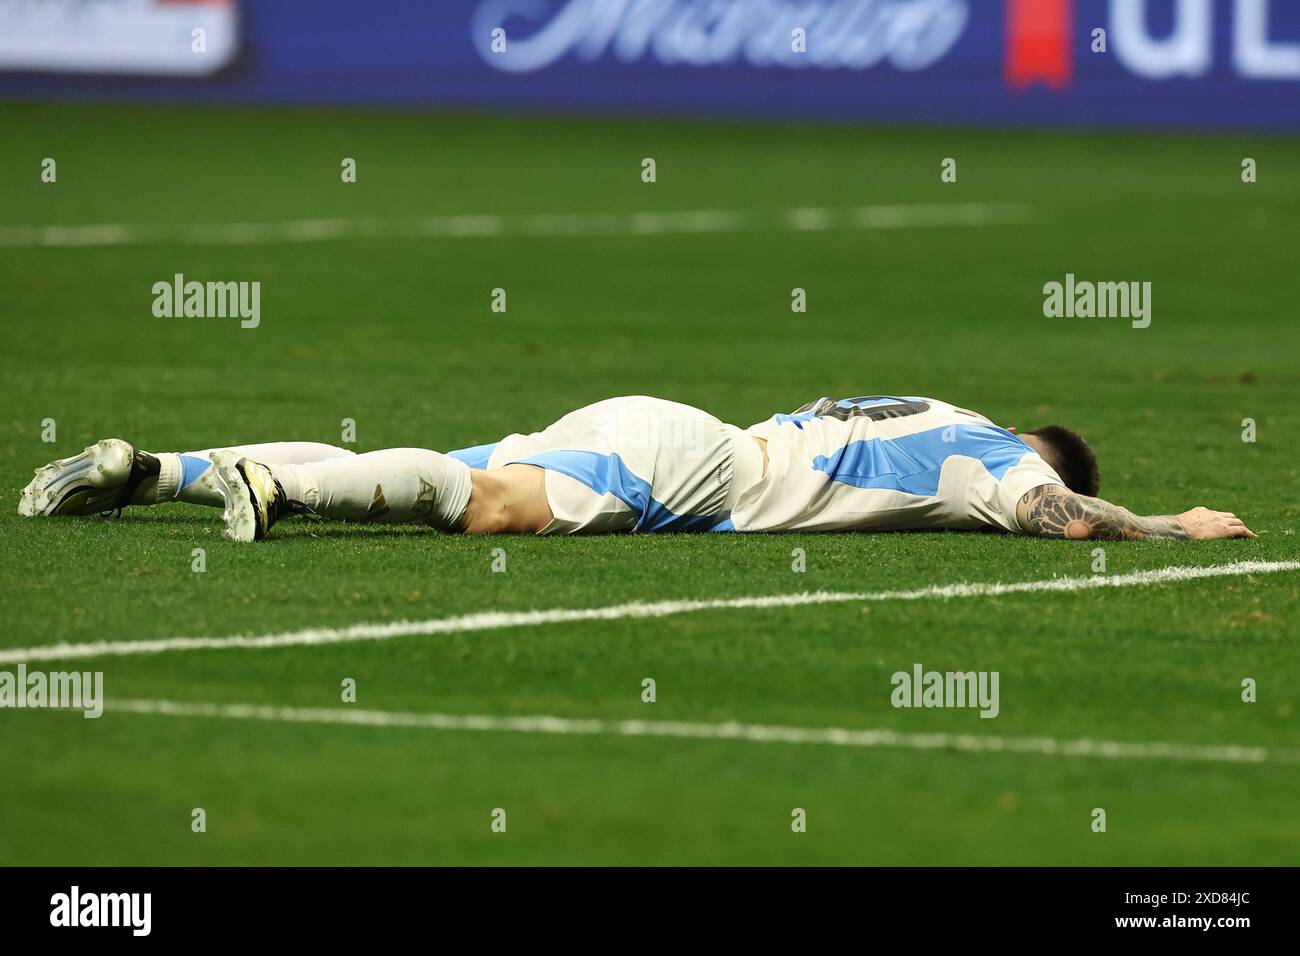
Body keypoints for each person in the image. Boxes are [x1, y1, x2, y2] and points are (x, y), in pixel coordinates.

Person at [18, 394, 1255, 543]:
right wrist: (1165, 522)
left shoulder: (923, 403)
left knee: (438, 464)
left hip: (666, 424)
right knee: (484, 506)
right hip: (698, 470)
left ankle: (159, 464)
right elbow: (1058, 518)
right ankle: (278, 494)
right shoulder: (990, 450)